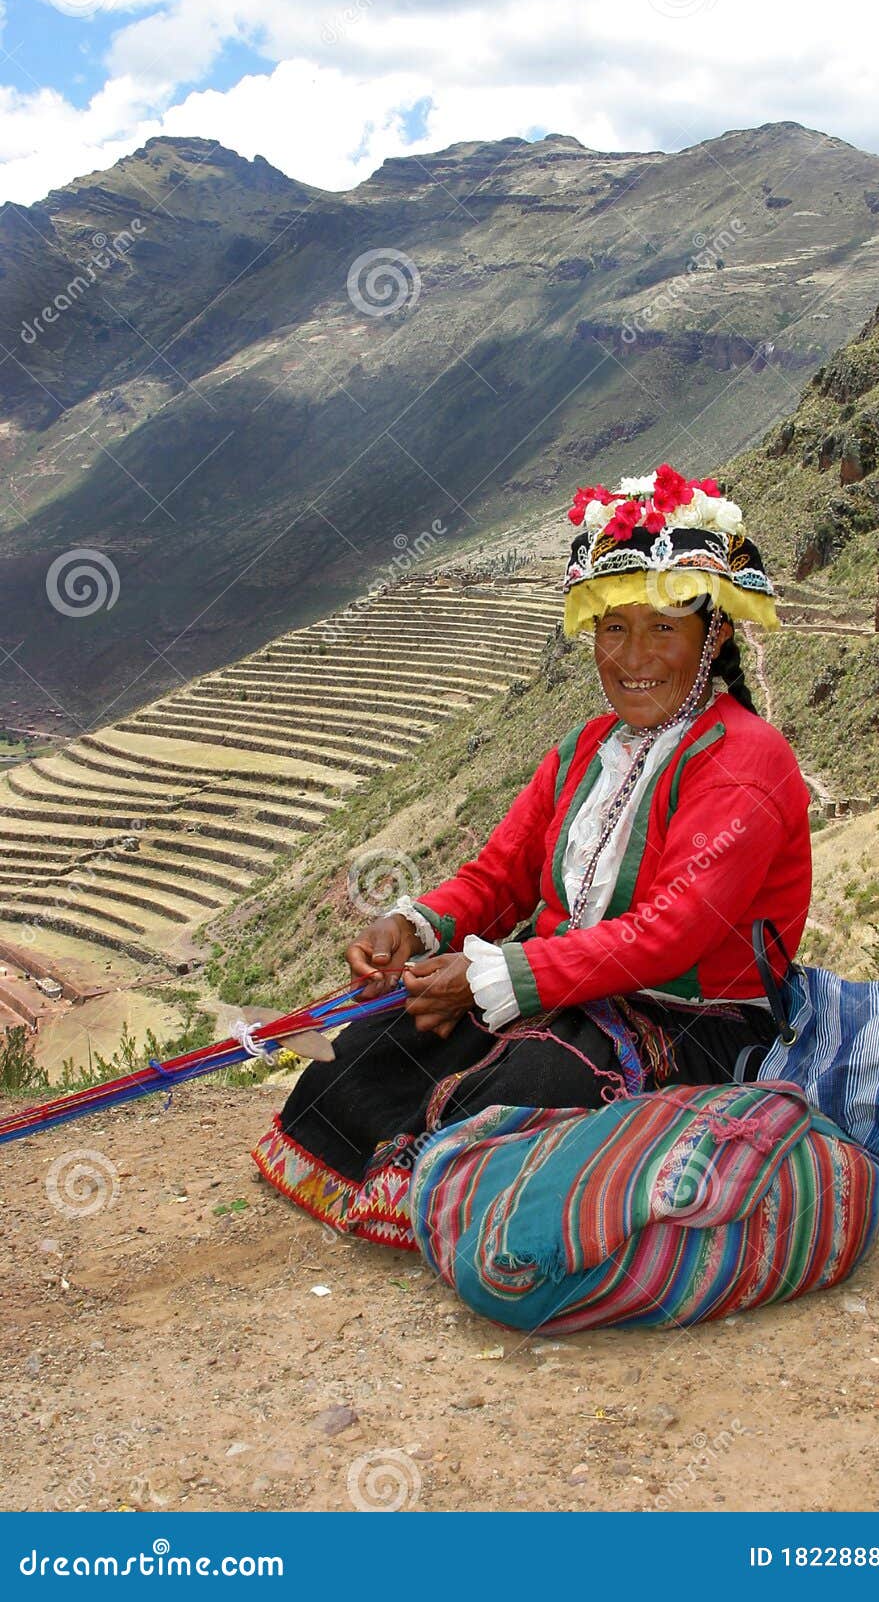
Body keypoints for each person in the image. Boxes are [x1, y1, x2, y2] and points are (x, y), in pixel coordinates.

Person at [252, 465, 812, 1246]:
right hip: (560, 989)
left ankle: (460, 1205)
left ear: (711, 635)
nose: (631, 655)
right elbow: (501, 875)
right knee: (358, 1060)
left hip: (688, 1017)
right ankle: (415, 1184)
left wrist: (501, 976)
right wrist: (416, 929)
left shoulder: (746, 762)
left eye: (662, 627)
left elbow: (672, 934)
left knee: (515, 1093)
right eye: (613, 628)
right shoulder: (587, 748)